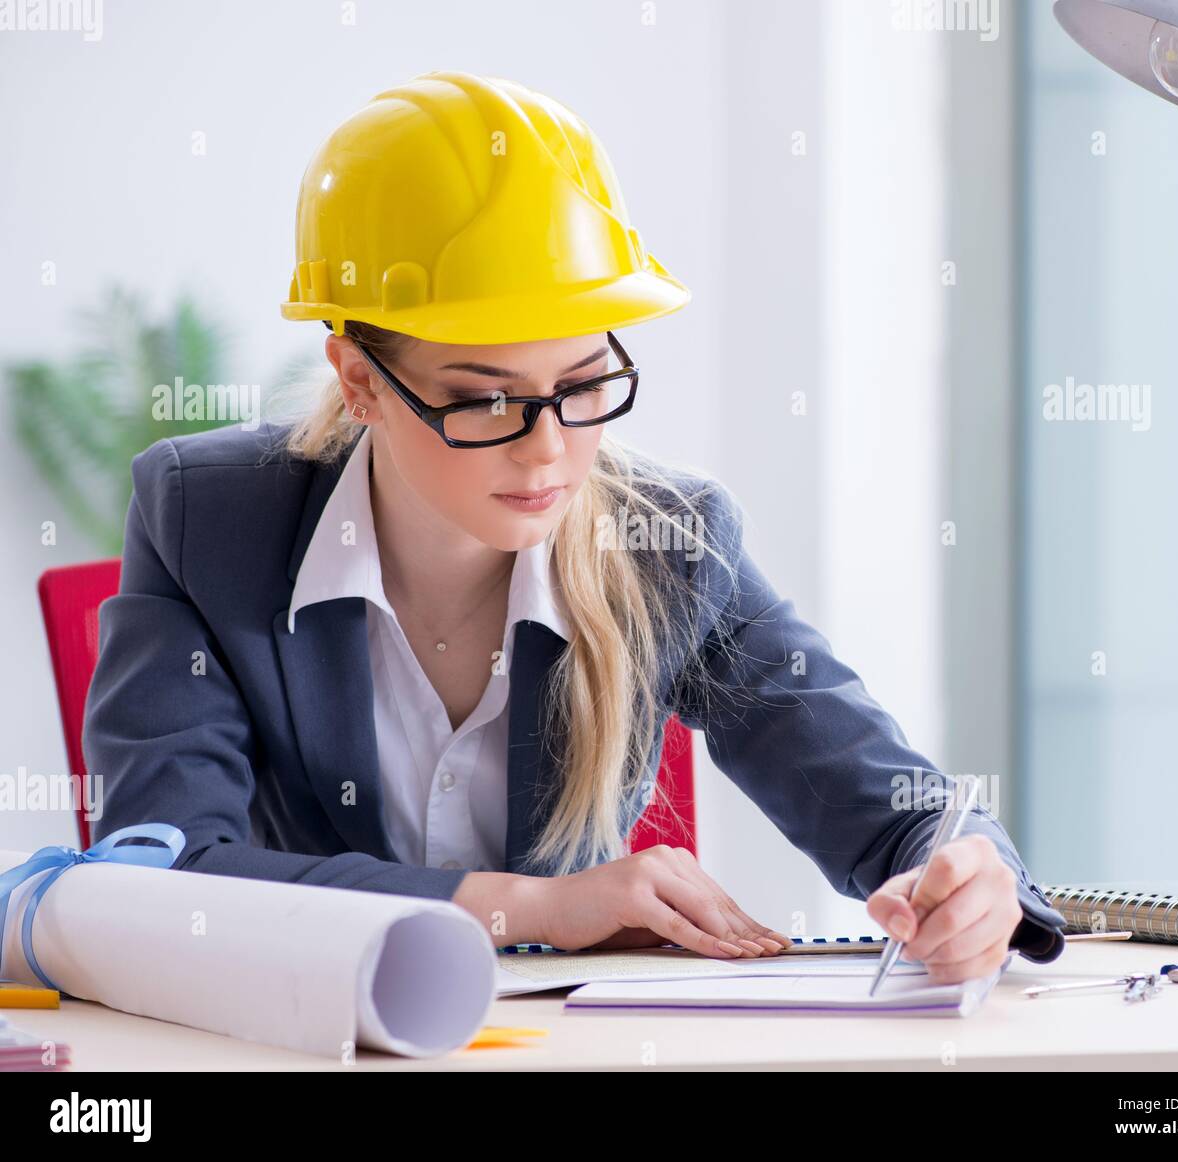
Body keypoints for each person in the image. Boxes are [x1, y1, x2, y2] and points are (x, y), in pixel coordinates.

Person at [83, 70, 1066, 983]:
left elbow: (889, 803)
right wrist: (529, 905)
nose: (547, 448)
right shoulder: (204, 518)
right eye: (485, 400)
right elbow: (166, 878)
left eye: (585, 384)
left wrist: (963, 874)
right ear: (358, 382)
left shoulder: (672, 545)